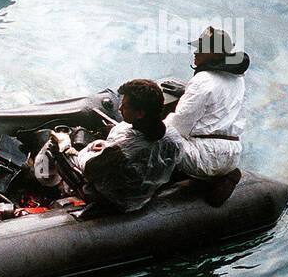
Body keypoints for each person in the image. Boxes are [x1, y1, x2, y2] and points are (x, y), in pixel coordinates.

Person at [34, 78, 180, 213]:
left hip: (114, 200)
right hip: (142, 191)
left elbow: (88, 168)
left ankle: (44, 182)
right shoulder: (172, 136)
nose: (120, 108)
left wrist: (64, 144)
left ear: (140, 113)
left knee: (54, 143)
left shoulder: (121, 152)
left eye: (125, 105)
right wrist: (107, 145)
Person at [167, 26, 249, 206]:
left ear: (214, 53)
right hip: (232, 154)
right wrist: (187, 91)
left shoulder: (202, 80)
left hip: (204, 156)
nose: (195, 52)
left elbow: (179, 126)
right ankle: (225, 174)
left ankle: (158, 183)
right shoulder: (238, 79)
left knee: (160, 137)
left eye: (201, 49)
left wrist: (144, 126)